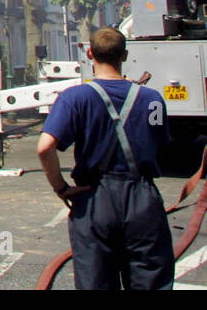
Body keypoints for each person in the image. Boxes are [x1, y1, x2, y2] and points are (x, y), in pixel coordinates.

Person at [37, 26, 174, 289]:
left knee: (96, 283)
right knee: (152, 282)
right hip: (142, 197)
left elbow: (44, 148)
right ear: (124, 55)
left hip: (93, 199)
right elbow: (160, 143)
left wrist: (61, 187)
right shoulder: (153, 99)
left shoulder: (74, 98)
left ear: (90, 53)